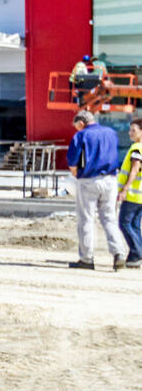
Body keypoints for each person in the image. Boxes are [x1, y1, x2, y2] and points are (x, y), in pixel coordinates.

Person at [67, 109, 127, 270]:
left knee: (86, 219)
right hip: (110, 180)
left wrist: (75, 172)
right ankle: (119, 253)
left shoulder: (81, 135)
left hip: (89, 180)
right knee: (109, 218)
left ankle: (87, 258)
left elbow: (73, 159)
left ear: (81, 123)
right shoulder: (110, 132)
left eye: (76, 126)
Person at [117, 115, 142, 268]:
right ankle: (134, 257)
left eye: (133, 130)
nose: (130, 133)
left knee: (124, 223)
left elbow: (134, 169)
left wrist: (124, 189)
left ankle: (138, 252)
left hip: (133, 194)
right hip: (140, 195)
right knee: (135, 225)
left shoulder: (136, 149)